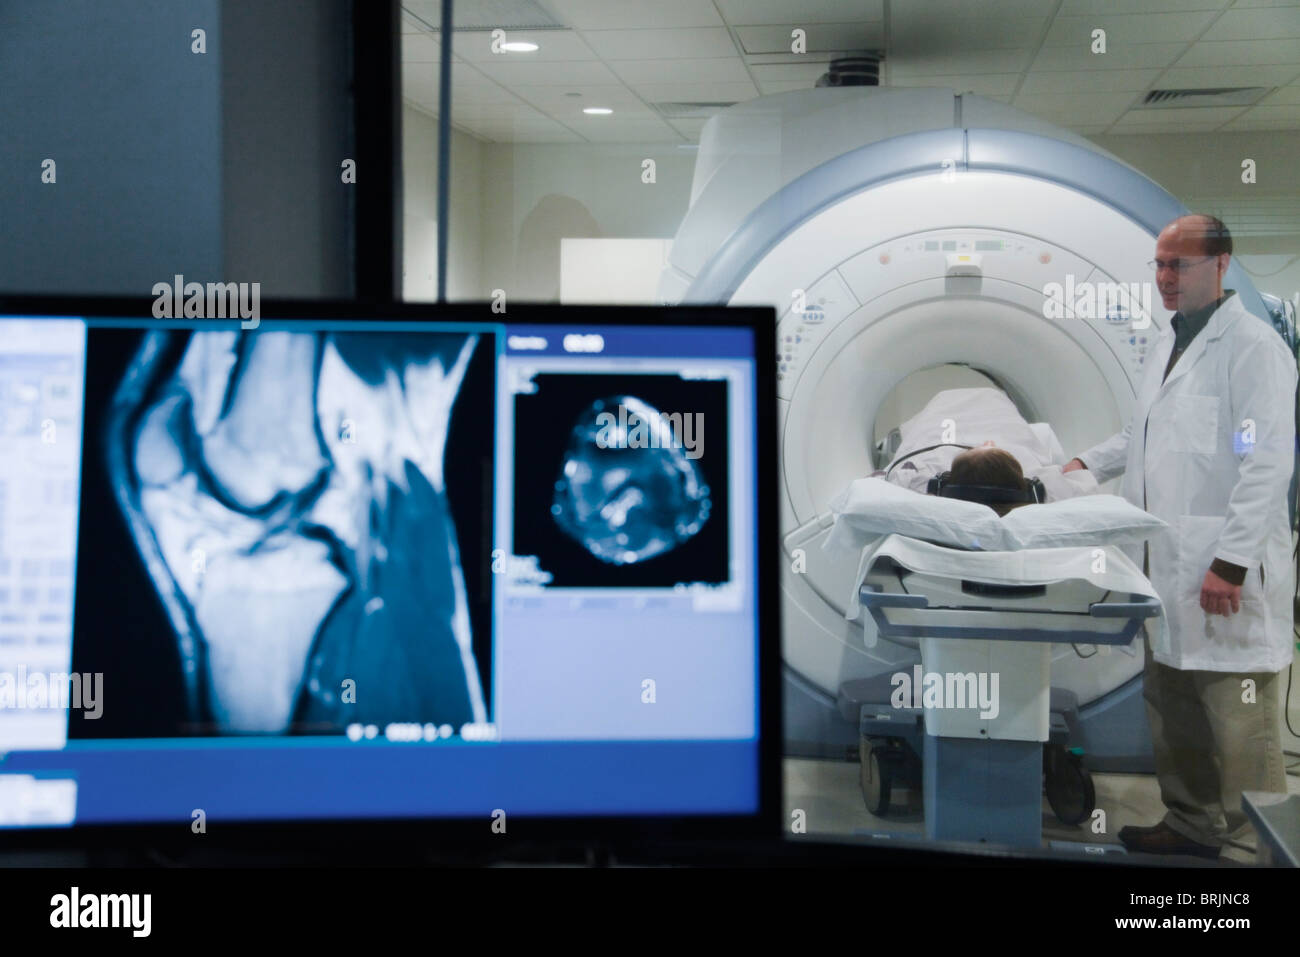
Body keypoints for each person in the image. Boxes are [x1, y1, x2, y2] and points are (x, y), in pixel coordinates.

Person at [1064, 214, 1297, 859]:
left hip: (1222, 571)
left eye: (1179, 265)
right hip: (1165, 568)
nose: (1165, 278)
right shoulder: (1168, 342)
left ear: (1221, 265)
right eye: (1159, 265)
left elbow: (1267, 460)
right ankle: (1191, 822)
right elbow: (1147, 434)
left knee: (1238, 722)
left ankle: (1256, 847)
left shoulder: (1252, 348)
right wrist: (1089, 463)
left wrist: (1231, 560)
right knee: (1173, 710)